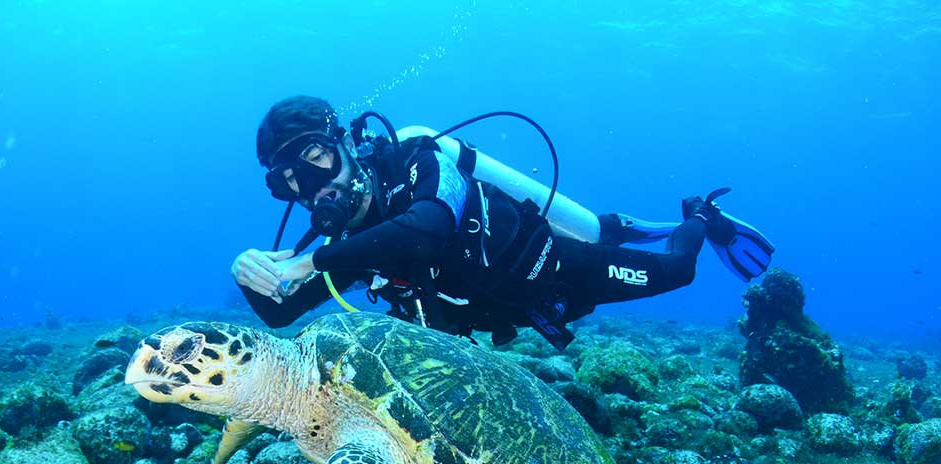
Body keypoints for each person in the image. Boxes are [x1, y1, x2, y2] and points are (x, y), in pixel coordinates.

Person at [232, 96, 774, 350]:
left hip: (556, 271)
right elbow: (280, 314)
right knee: (608, 233)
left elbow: (426, 228)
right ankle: (617, 226)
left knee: (678, 271)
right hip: (507, 310)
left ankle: (700, 216)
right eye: (289, 181)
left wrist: (310, 260)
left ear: (347, 144)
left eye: (316, 158)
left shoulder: (418, 163)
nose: (312, 186)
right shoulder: (350, 242)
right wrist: (247, 273)